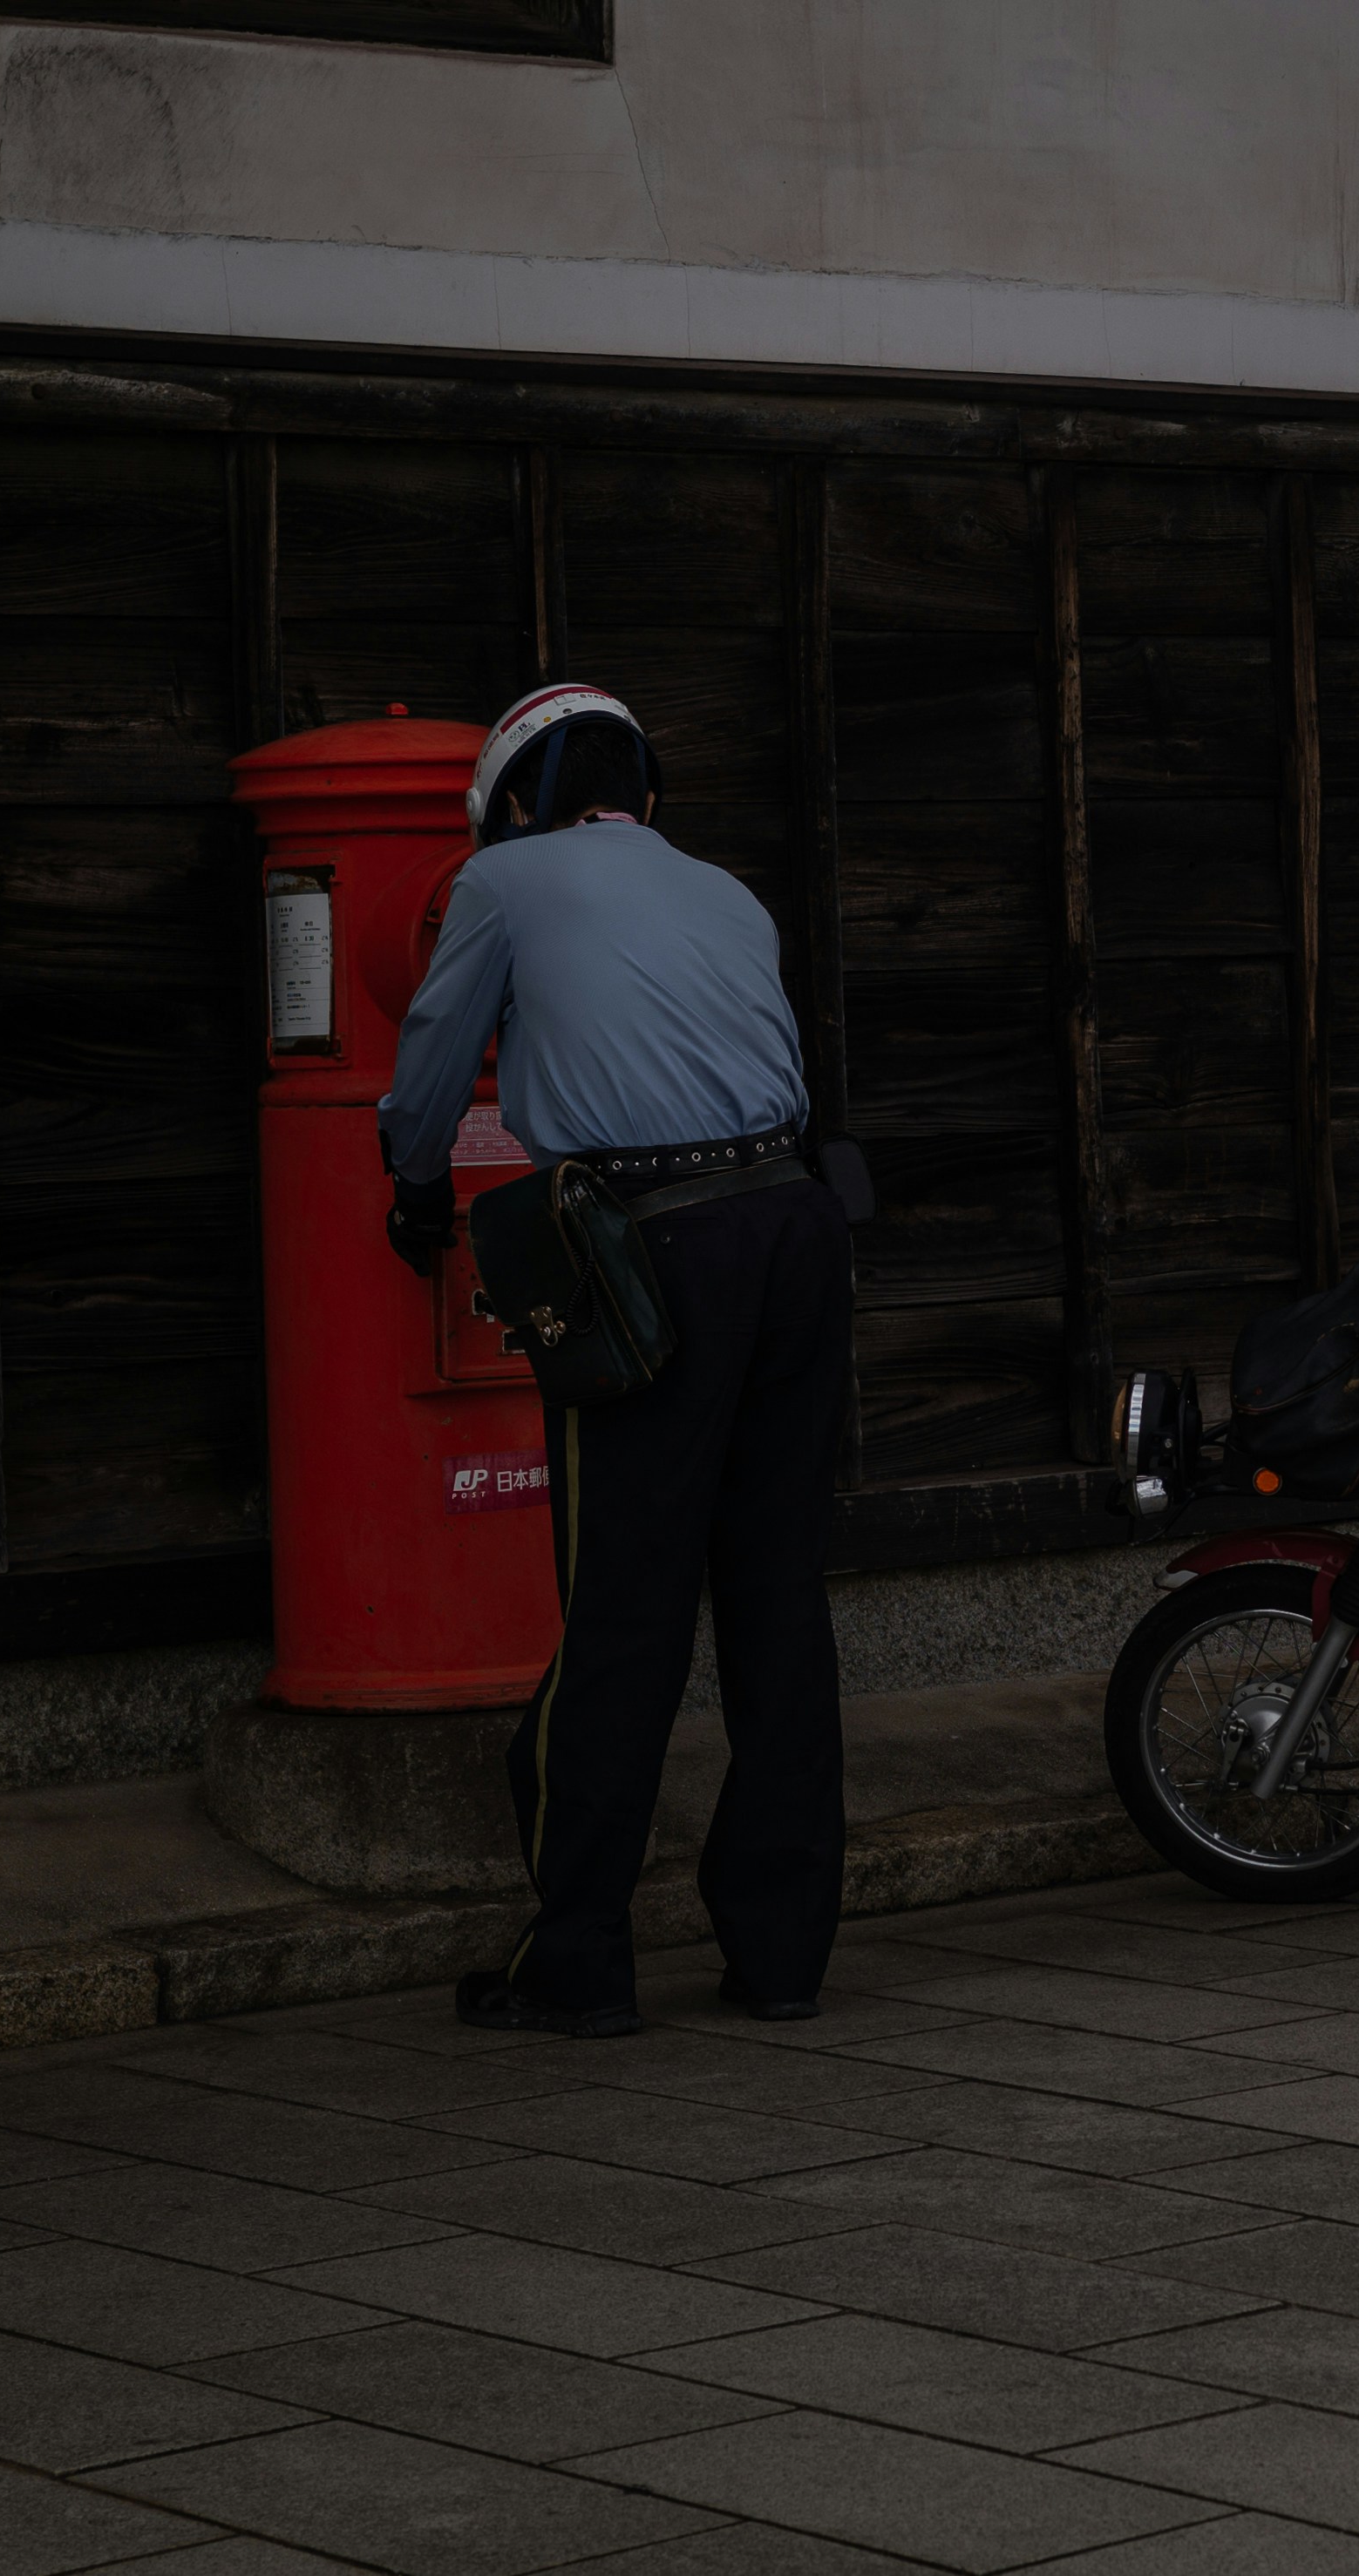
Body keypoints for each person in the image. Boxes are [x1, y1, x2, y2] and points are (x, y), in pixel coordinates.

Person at [377, 682, 850, 2038]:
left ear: (511, 798)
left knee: (625, 1610)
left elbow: (428, 1063)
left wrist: (414, 1188)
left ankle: (579, 1957)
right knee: (776, 1598)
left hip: (653, 1250)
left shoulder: (503, 880)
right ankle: (781, 1956)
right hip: (794, 1230)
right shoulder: (728, 890)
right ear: (643, 792)